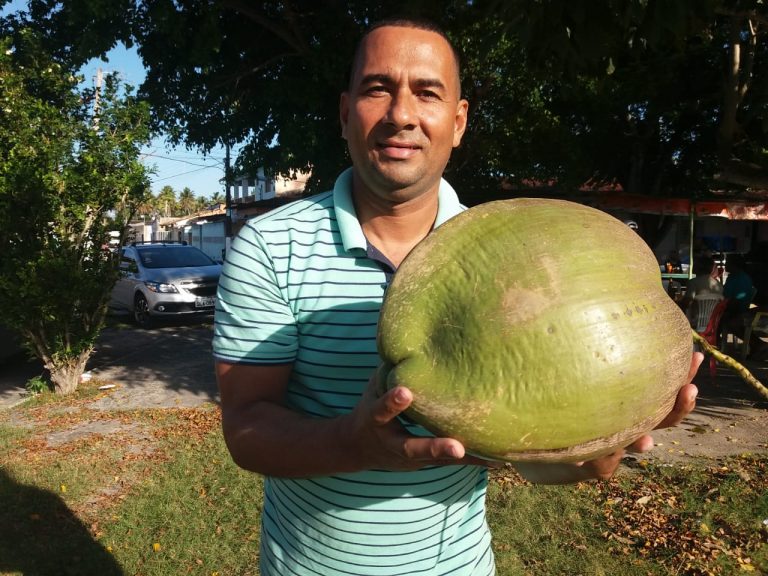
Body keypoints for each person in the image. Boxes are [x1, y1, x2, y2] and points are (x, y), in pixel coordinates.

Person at [213, 18, 701, 575]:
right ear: (346, 112)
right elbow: (247, 430)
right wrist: (355, 443)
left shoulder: (517, 251)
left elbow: (509, 454)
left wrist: (588, 451)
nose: (401, 114)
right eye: (378, 88)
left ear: (459, 120)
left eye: (427, 92)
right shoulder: (269, 246)